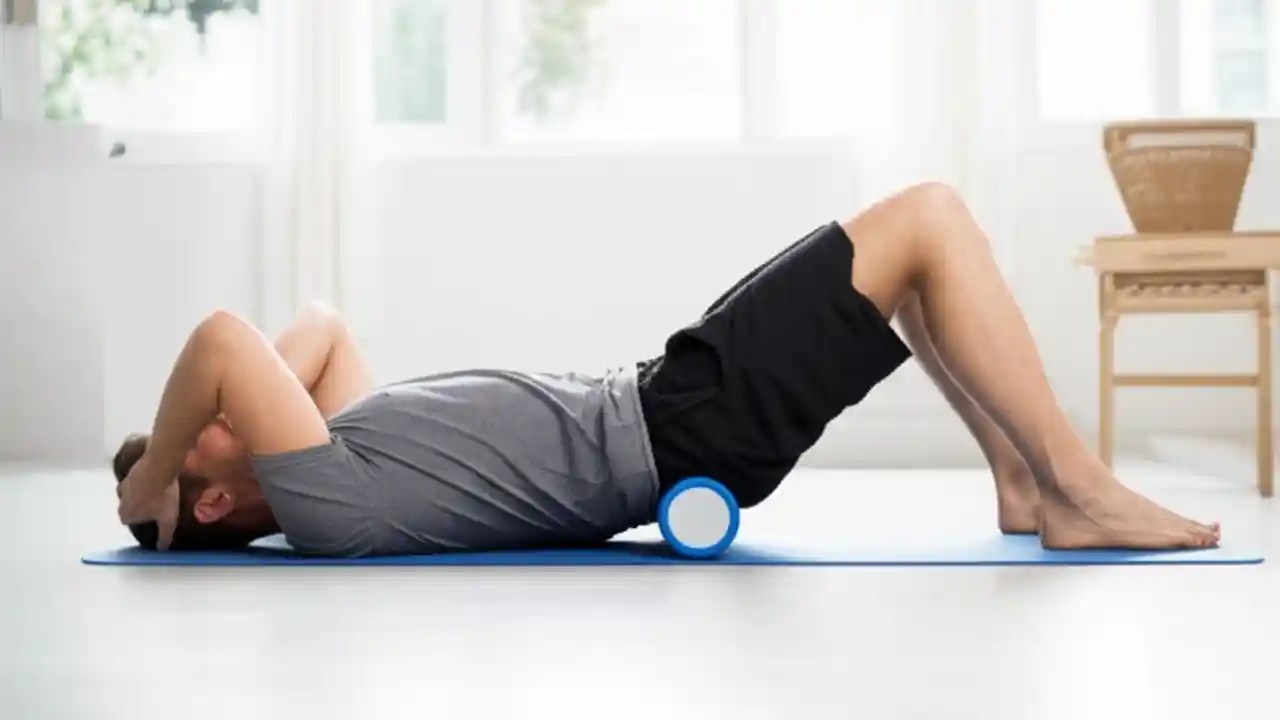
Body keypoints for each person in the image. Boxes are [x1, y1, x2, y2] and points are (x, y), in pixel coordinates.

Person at [115, 183, 1221, 556]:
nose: (225, 400)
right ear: (214, 492)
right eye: (207, 430)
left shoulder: (338, 456)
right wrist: (150, 477)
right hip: (680, 425)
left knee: (915, 261)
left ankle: (1026, 486)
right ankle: (1078, 484)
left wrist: (181, 468)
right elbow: (224, 340)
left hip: (669, 400)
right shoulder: (327, 510)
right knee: (927, 218)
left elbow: (318, 325)